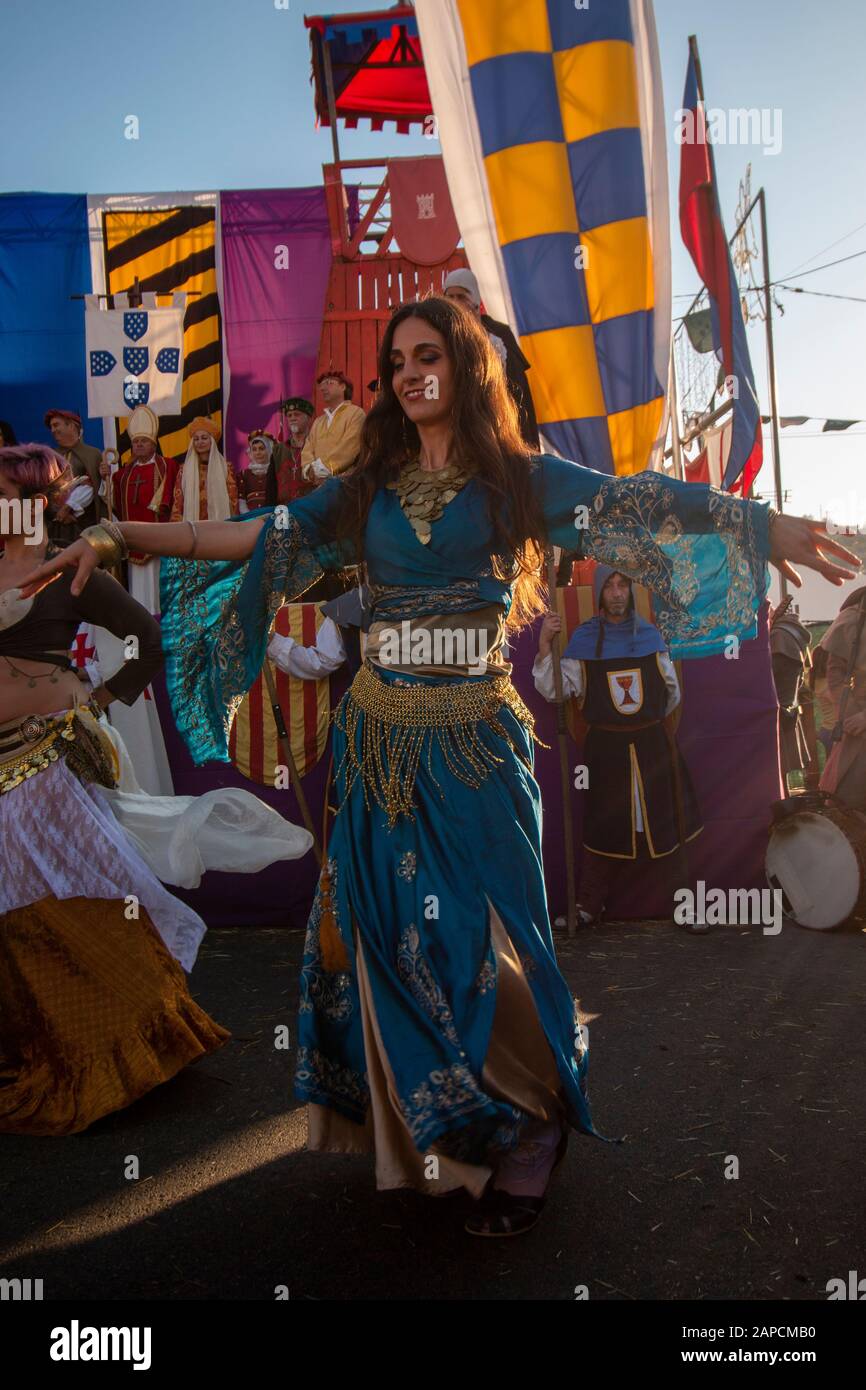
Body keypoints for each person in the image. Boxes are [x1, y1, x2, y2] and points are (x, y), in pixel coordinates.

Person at [22, 297, 858, 1233]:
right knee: (387, 940)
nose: (411, 371)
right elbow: (264, 535)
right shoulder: (366, 487)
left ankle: (534, 1123)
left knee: (479, 933)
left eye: (431, 354)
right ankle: (457, 1127)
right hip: (379, 741)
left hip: (474, 740)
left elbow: (637, 501)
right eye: (397, 359)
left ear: (467, 367)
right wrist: (117, 536)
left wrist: (755, 522)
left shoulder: (519, 478)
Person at [0, 444, 228, 1135]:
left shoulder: (70, 568)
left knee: (70, 886)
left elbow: (146, 638)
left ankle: (129, 1043)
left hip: (49, 755)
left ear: (33, 500)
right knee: (20, 905)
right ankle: (55, 1040)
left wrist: (100, 699)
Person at [534, 567, 702, 929]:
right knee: (603, 826)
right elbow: (555, 691)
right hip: (606, 751)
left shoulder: (652, 638)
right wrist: (545, 644)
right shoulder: (583, 641)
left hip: (652, 746)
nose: (615, 593)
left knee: (665, 824)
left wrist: (645, 725)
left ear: (630, 590)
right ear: (599, 594)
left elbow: (670, 692)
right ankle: (589, 906)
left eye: (622, 584)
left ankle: (684, 907)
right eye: (608, 586)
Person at [444, 268, 540, 449]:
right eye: (450, 297)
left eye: (462, 296)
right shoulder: (440, 339)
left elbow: (518, 393)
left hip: (498, 430)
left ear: (475, 299)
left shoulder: (498, 337)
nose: (456, 303)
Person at [104, 404, 178, 612]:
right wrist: (105, 478)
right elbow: (109, 498)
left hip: (159, 539)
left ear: (153, 444)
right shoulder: (124, 474)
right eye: (135, 442)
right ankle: (140, 618)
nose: (138, 445)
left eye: (143, 441)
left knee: (158, 583)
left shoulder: (167, 466)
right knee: (138, 588)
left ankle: (160, 617)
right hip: (134, 542)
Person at [818, 587, 866, 808]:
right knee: (844, 800)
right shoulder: (855, 615)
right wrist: (852, 714)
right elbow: (835, 673)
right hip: (856, 721)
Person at [267, 584, 369, 681]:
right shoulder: (351, 603)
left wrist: (273, 642)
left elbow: (321, 662)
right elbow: (321, 662)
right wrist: (272, 641)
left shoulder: (350, 603)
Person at [44, 407, 106, 543]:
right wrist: (58, 513)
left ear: (71, 425)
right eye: (51, 427)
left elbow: (94, 487)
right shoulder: (49, 456)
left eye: (56, 425)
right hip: (55, 525)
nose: (53, 430)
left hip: (84, 527)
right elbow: (44, 490)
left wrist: (69, 509)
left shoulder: (92, 454)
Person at [170, 417, 238, 522]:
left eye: (204, 438)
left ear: (212, 441)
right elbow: (178, 503)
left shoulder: (226, 467)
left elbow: (233, 500)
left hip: (219, 526)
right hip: (192, 527)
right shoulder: (184, 470)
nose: (200, 442)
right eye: (196, 439)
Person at [301, 372, 366, 481]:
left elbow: (349, 448)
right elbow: (307, 449)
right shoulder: (318, 421)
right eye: (321, 385)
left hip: (345, 486)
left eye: (329, 383)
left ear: (343, 387)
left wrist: (319, 470)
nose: (323, 388)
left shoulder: (356, 413)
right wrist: (309, 469)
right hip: (317, 486)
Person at [266, 398, 316, 506]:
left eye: (297, 414)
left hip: (311, 510)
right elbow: (271, 487)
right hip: (283, 512)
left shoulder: (317, 446)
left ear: (308, 418)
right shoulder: (278, 450)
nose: (292, 418)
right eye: (289, 415)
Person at [238, 430, 276, 513]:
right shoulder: (244, 474)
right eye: (254, 449)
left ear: (269, 450)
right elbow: (241, 502)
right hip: (250, 518)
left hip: (271, 516)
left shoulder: (276, 472)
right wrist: (250, 518)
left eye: (261, 449)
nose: (257, 453)